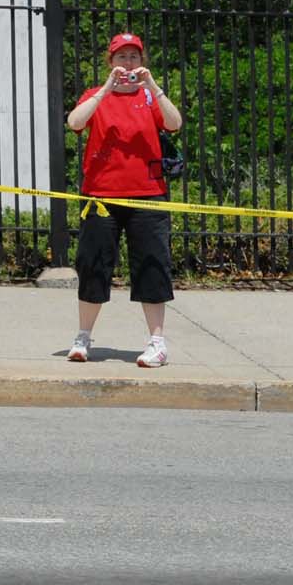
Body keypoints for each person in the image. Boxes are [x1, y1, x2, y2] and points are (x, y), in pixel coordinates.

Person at [64, 31, 184, 368]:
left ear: (142, 62)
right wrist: (106, 89)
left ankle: (157, 342)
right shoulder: (96, 95)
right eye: (121, 57)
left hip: (147, 195)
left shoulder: (149, 97)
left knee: (151, 266)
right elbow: (75, 121)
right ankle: (83, 336)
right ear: (111, 61)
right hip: (101, 195)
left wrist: (153, 87)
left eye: (134, 57)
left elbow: (174, 124)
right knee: (93, 264)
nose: (127, 63)